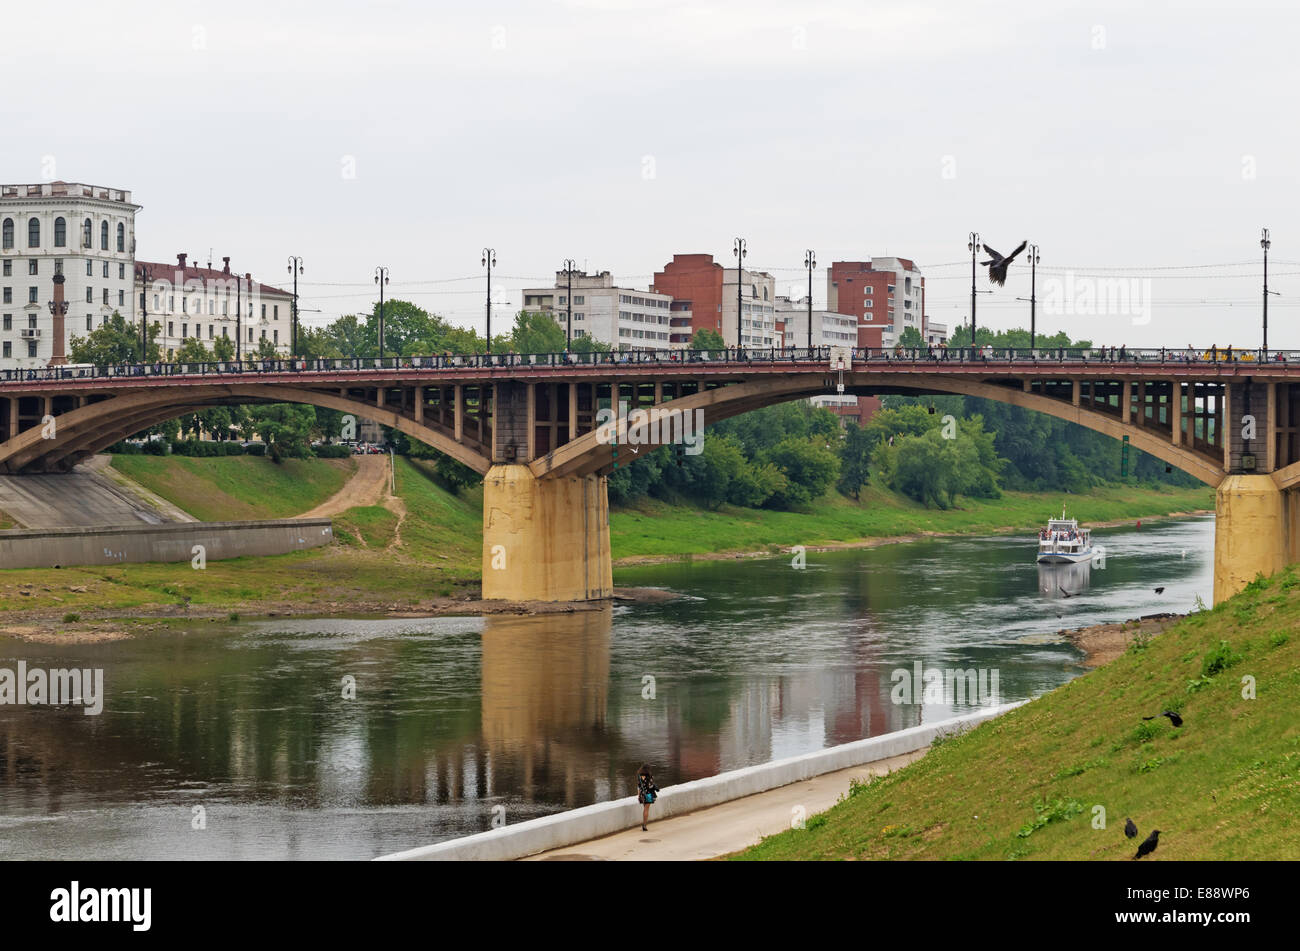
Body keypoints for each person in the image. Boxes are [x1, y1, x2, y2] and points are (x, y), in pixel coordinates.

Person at [636, 764, 659, 831]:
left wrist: (638, 795)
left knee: (645, 809)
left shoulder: (639, 776)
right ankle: (644, 825)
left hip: (642, 795)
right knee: (646, 809)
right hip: (648, 794)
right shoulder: (649, 776)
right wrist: (655, 787)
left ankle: (644, 824)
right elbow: (650, 786)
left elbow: (639, 787)